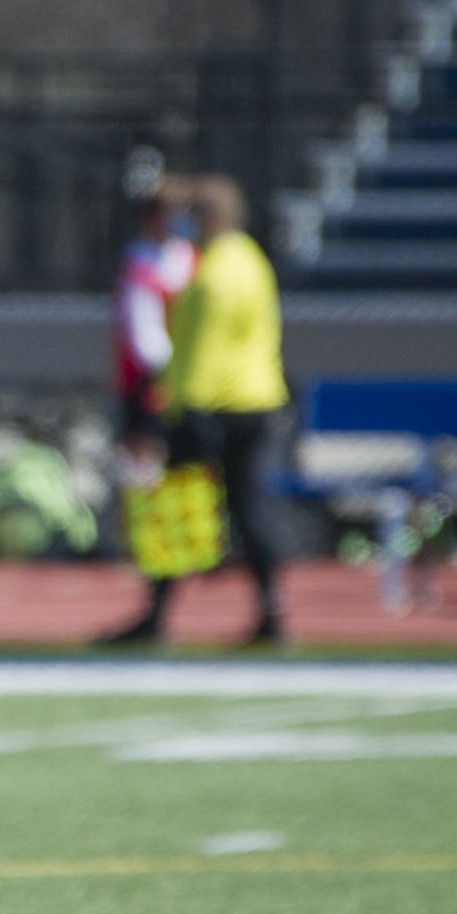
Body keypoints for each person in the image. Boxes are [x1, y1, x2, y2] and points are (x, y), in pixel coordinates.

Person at [100, 175, 289, 646]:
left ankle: (158, 614)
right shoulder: (252, 262)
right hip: (256, 398)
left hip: (209, 405)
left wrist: (175, 404)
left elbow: (197, 351)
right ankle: (271, 610)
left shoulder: (213, 274)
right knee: (247, 509)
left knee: (174, 510)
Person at [113, 189, 197, 457]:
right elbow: (144, 338)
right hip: (150, 379)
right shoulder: (138, 263)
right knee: (146, 458)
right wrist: (169, 369)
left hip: (190, 378)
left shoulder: (191, 257)